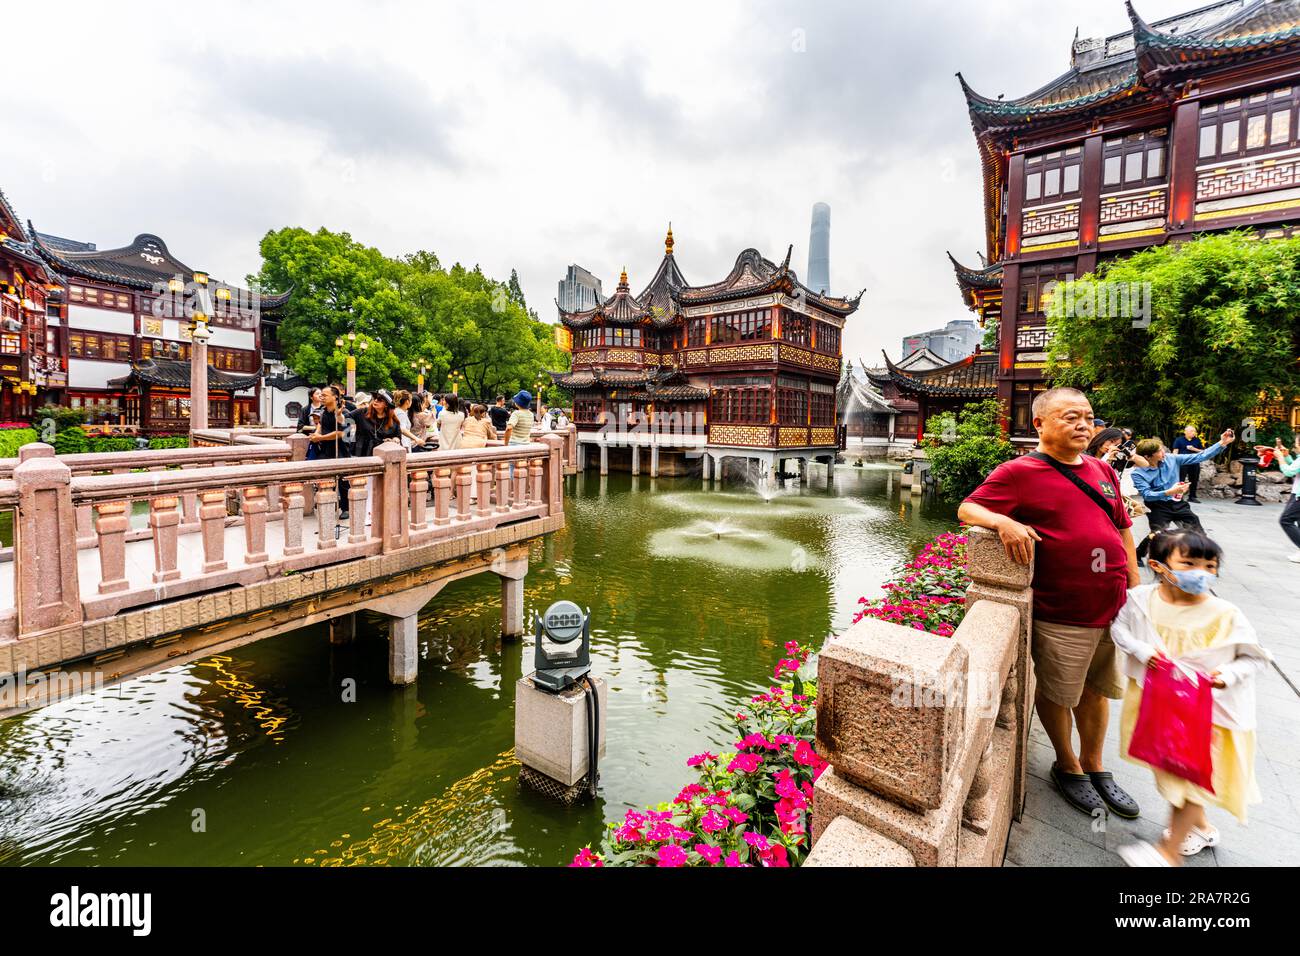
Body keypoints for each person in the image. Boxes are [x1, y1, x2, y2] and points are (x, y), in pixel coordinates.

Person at [958, 386, 1142, 820]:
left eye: (1088, 417)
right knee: (1060, 692)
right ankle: (1068, 763)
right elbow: (968, 509)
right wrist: (1003, 520)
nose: (1083, 425)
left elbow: (1122, 526)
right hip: (1063, 611)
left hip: (1110, 606)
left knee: (1097, 691)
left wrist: (1132, 578)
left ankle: (1096, 763)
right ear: (1038, 423)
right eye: (1070, 417)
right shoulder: (1019, 472)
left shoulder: (1101, 469)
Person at [1111, 530, 1271, 866]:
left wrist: (1227, 676)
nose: (1201, 572)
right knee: (1169, 772)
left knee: (1187, 781)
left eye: (1209, 566)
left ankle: (1169, 855)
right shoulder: (1141, 600)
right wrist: (1141, 650)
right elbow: (1119, 629)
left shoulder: (1225, 613)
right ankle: (1201, 828)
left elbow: (1255, 657)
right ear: (1158, 565)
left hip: (1207, 714)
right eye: (1189, 563)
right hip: (1157, 705)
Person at [1131, 429, 1234, 563]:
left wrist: (1222, 442)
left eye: (1162, 449)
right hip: (1157, 506)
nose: (1164, 453)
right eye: (1159, 451)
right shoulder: (1138, 473)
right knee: (1158, 534)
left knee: (1198, 533)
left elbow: (1200, 456)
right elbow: (1148, 495)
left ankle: (1202, 559)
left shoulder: (1171, 459)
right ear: (1147, 456)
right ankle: (1138, 554)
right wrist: (1169, 491)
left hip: (1178, 503)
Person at [309, 385, 352, 520]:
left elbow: (341, 433)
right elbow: (320, 425)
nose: (321, 398)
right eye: (321, 395)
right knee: (326, 480)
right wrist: (316, 434)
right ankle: (329, 504)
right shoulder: (323, 411)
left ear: (335, 397)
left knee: (343, 481)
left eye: (325, 395)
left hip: (341, 450)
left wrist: (320, 437)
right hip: (326, 450)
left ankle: (346, 508)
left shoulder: (345, 413)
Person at [1261, 437, 1300, 563]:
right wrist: (1287, 457)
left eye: (1296, 445)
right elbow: (1295, 467)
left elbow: (1289, 472)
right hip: (1296, 493)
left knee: (1285, 520)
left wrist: (1280, 458)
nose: (1295, 447)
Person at [1173, 425, 1206, 503]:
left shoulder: (1197, 440)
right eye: (1191, 431)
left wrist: (1193, 449)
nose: (1193, 433)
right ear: (1185, 432)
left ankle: (1192, 496)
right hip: (1182, 463)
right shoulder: (1179, 440)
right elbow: (1175, 452)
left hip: (1194, 462)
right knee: (1180, 480)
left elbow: (1203, 452)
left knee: (1194, 480)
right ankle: (1178, 496)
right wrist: (1175, 462)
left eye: (1194, 431)